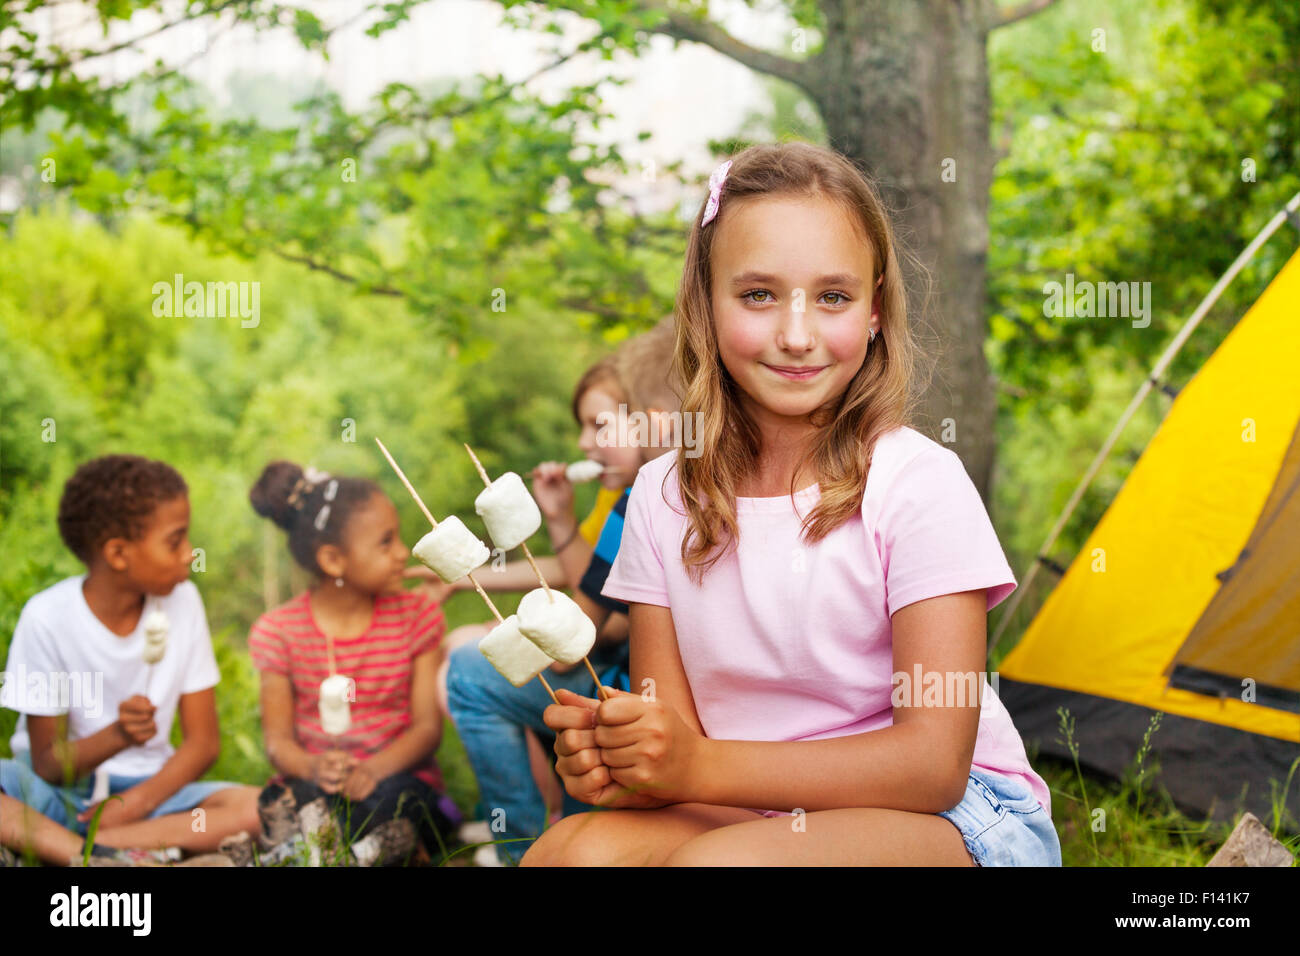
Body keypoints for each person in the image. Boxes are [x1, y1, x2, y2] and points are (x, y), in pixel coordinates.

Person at [523, 142, 1062, 867]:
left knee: (718, 868)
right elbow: (673, 736)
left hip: (954, 814)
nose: (797, 334)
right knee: (567, 854)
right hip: (749, 803)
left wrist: (692, 767)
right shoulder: (659, 496)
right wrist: (624, 760)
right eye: (758, 295)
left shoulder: (918, 484)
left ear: (874, 310)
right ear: (704, 308)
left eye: (832, 297)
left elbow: (933, 764)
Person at [433, 319, 683, 864]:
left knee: (468, 673)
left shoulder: (636, 502)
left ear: (653, 422)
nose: (583, 444)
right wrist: (559, 517)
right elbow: (597, 591)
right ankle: (554, 831)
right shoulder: (625, 499)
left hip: (626, 692)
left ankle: (519, 844)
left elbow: (588, 635)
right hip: (638, 681)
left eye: (600, 425)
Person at [0, 455, 261, 860]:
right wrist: (117, 736)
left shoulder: (183, 603)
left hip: (150, 798)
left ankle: (87, 851)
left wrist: (131, 805)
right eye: (175, 541)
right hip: (53, 794)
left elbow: (204, 744)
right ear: (118, 554)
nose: (190, 553)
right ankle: (106, 852)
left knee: (254, 808)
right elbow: (48, 763)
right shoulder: (46, 617)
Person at [247, 461, 460, 865]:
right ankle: (346, 852)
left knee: (399, 802)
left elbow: (427, 730)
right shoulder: (278, 632)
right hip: (317, 783)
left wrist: (372, 770)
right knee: (290, 801)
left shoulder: (417, 616)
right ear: (333, 560)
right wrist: (313, 766)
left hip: (395, 777)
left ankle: (340, 852)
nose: (403, 553)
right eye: (385, 542)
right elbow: (277, 743)